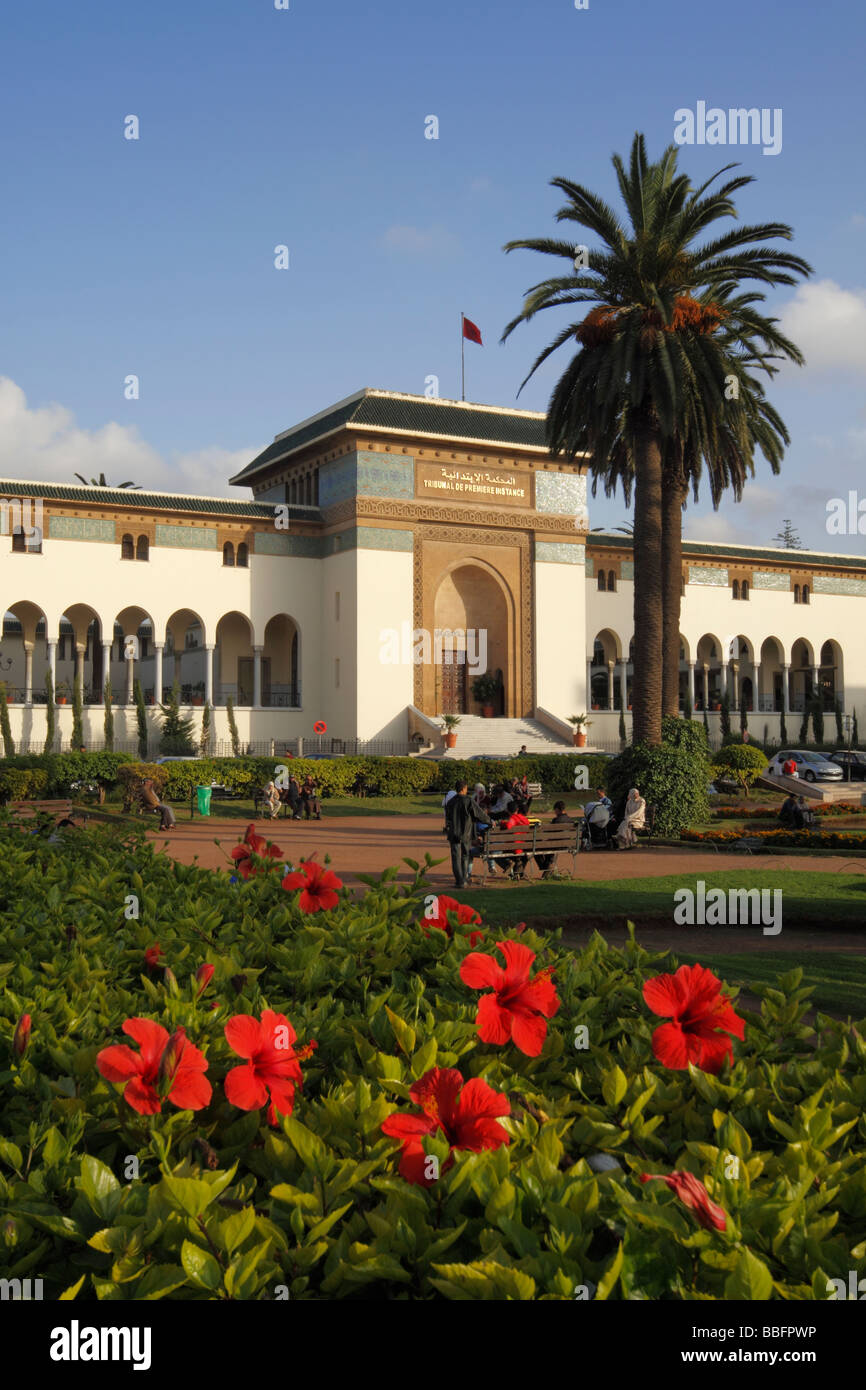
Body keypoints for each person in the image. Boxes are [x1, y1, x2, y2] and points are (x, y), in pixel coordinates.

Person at [444, 781, 487, 888]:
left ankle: (459, 881)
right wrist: (490, 821)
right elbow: (479, 814)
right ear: (464, 788)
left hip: (454, 833)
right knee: (465, 856)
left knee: (455, 857)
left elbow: (448, 818)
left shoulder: (450, 802)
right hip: (466, 833)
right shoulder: (468, 800)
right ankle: (464, 879)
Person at [536, 801, 571, 876]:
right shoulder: (570, 820)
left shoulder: (556, 820)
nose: (554, 812)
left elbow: (548, 833)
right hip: (567, 844)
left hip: (555, 844)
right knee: (551, 846)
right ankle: (549, 865)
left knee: (536, 847)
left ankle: (546, 867)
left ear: (557, 809)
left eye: (555, 810)